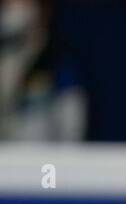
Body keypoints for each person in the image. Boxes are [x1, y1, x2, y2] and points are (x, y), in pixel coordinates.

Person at [0, 0, 86, 142]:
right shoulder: (6, 56)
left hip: (40, 156)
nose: (13, 9)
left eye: (23, 3)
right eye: (7, 4)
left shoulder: (56, 59)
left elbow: (72, 120)